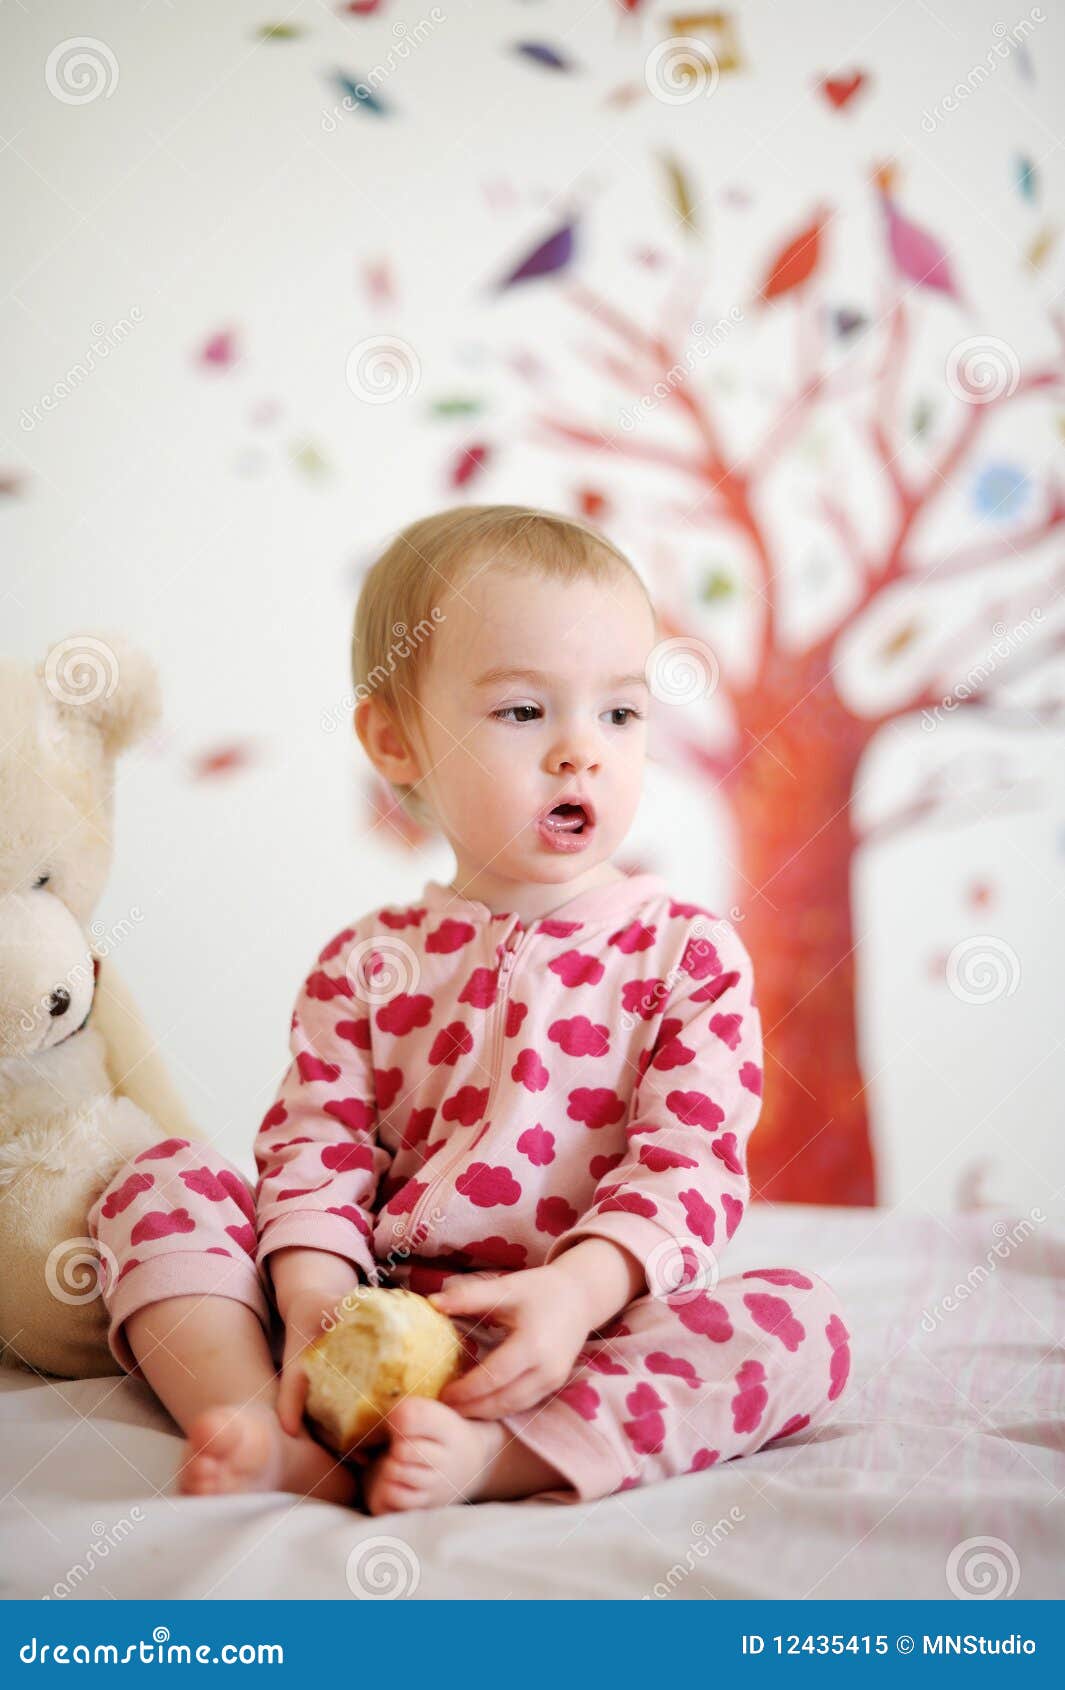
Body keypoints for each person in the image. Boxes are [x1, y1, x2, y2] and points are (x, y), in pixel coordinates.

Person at [89, 504, 851, 1513]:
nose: (582, 750)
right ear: (398, 740)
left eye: (619, 713)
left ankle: (497, 1455)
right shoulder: (366, 961)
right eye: (525, 713)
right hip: (371, 1307)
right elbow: (317, 1148)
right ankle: (270, 1427)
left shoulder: (689, 955)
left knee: (802, 1325)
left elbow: (690, 1168)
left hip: (574, 1330)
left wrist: (579, 1293)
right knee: (152, 1177)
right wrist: (317, 1302)